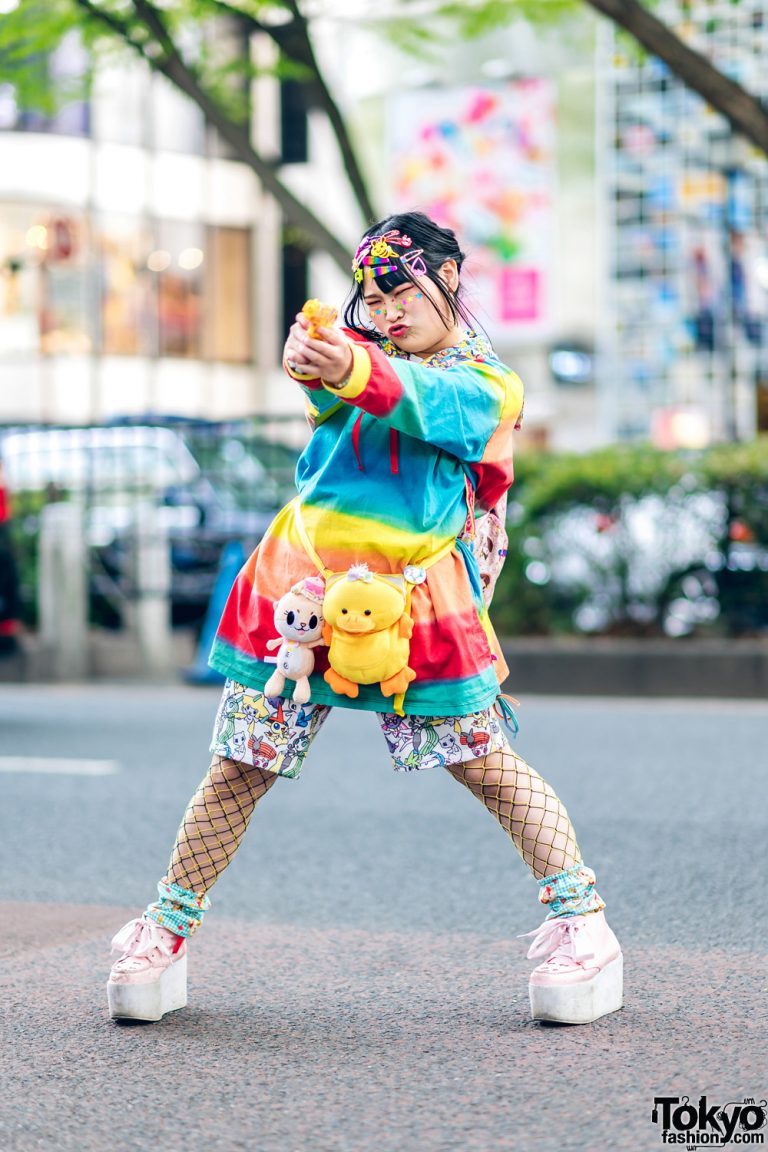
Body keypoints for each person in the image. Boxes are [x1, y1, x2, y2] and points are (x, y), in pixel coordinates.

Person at [107, 212, 622, 1026]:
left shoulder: (488, 386)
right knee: (238, 766)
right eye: (371, 298)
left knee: (484, 765)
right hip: (298, 596)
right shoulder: (367, 360)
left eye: (399, 290)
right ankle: (164, 931)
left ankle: (583, 925)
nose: (385, 310)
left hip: (415, 606)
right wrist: (311, 360)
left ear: (448, 277)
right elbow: (344, 391)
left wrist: (347, 365)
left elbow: (418, 400)